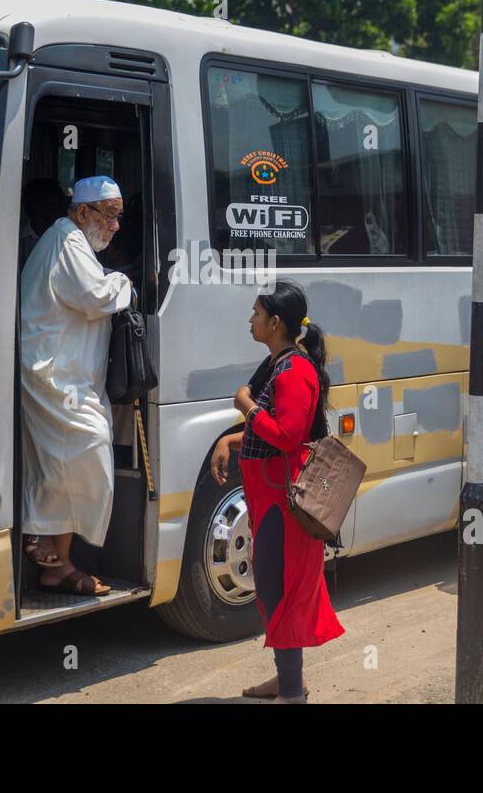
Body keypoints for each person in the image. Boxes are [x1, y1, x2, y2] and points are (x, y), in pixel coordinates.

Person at [210, 280, 344, 702]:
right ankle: (290, 679)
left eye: (255, 313)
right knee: (273, 588)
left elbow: (287, 436)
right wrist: (229, 441)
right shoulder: (277, 364)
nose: (250, 319)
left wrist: (245, 405)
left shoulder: (294, 371)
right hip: (268, 500)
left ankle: (291, 690)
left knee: (277, 589)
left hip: (284, 505)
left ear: (275, 322)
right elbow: (268, 429)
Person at [18, 175, 132, 596]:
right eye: (111, 216)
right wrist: (128, 283)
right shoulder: (67, 240)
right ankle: (40, 539)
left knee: (64, 466)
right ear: (83, 212)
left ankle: (58, 564)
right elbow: (96, 296)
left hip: (69, 377)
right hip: (53, 376)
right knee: (87, 450)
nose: (116, 227)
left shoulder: (72, 241)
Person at [19, 177, 68, 266]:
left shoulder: (69, 239)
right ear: (34, 206)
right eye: (53, 202)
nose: (60, 207)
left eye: (60, 200)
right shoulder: (17, 241)